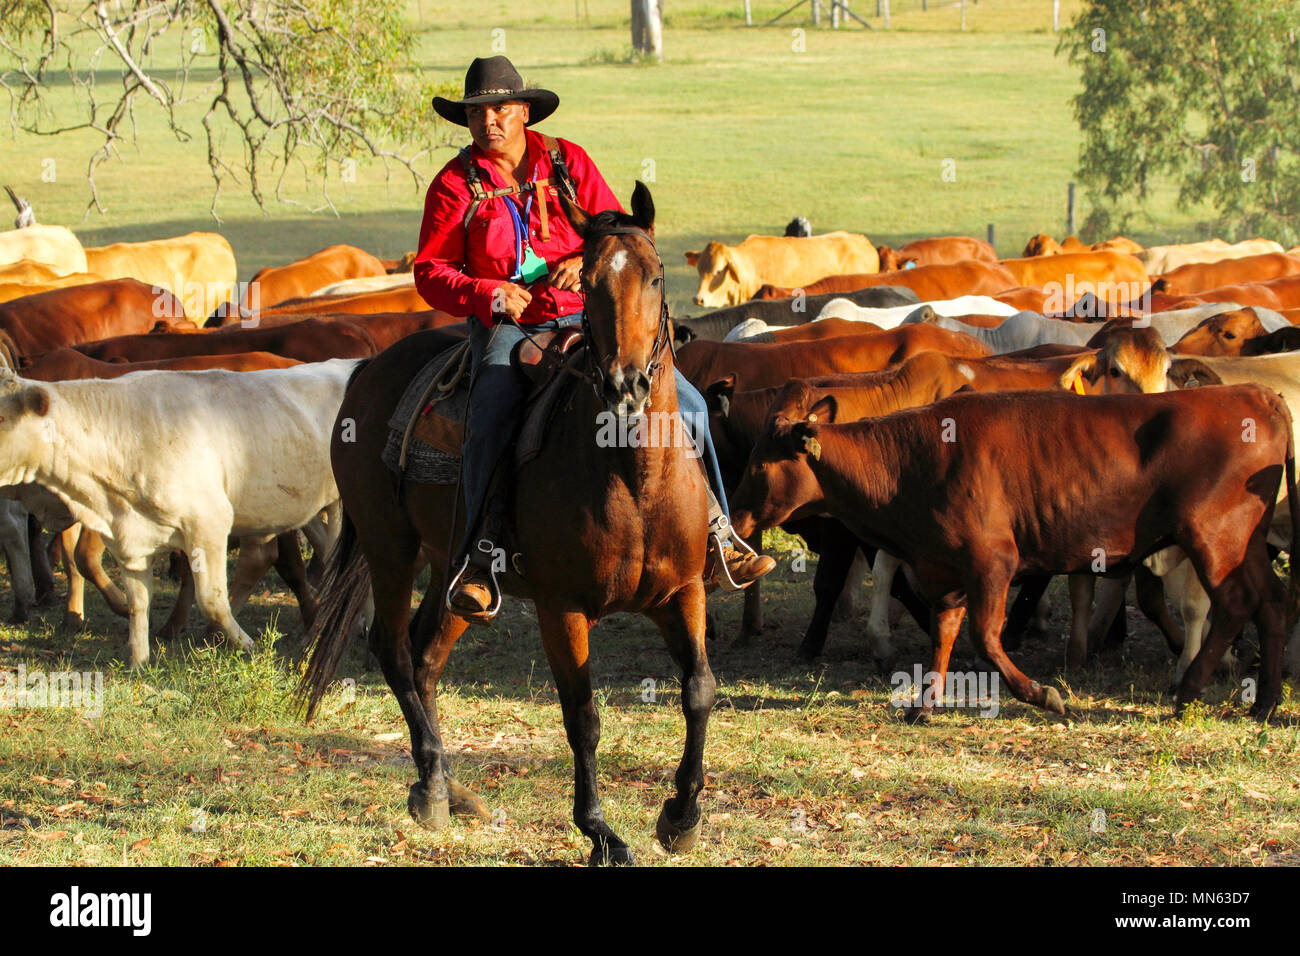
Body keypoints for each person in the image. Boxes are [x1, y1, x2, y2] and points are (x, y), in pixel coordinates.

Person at [413, 56, 774, 623]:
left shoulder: (566, 161)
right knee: (491, 416)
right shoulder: (455, 185)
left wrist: (576, 261)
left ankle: (720, 536)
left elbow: (618, 235)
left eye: (501, 109)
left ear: (523, 110)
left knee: (694, 406)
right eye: (478, 113)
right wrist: (487, 293)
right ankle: (481, 558)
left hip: (590, 319)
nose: (490, 122)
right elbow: (430, 270)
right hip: (513, 329)